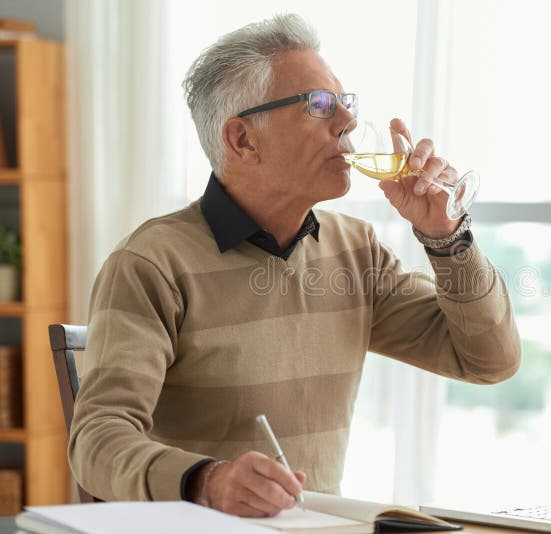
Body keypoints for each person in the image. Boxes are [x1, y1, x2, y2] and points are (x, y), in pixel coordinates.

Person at [68, 14, 521, 518]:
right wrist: (208, 481)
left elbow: (490, 360)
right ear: (243, 139)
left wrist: (447, 237)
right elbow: (96, 441)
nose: (348, 122)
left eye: (346, 103)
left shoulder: (356, 250)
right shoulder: (152, 263)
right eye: (320, 105)